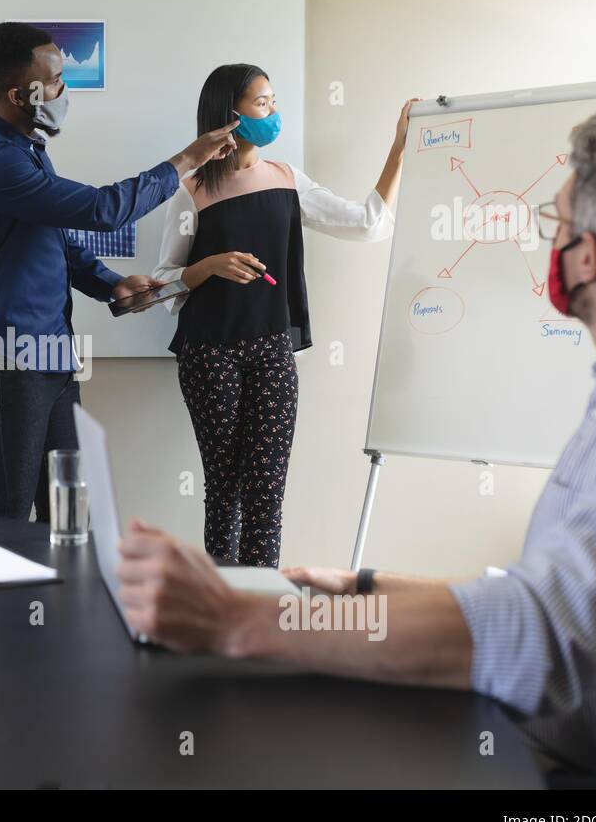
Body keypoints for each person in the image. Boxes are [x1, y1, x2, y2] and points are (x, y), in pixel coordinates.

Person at [116, 107, 596, 776]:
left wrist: (238, 622)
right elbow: (548, 593)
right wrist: (370, 585)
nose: (548, 241)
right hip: (554, 747)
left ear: (588, 258)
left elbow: (532, 634)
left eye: (554, 224)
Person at [0, 22, 238, 521]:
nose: (65, 90)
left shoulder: (28, 149)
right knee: (8, 518)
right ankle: (7, 603)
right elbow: (104, 210)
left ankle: (54, 603)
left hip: (50, 354)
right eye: (57, 80)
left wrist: (110, 282)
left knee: (68, 511)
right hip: (5, 358)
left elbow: (55, 239)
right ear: (20, 94)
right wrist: (188, 160)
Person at [153, 63, 413, 566]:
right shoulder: (190, 191)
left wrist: (398, 147)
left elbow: (368, 224)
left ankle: (261, 609)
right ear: (230, 114)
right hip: (208, 354)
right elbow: (162, 286)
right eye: (263, 103)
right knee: (223, 491)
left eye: (274, 101)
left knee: (266, 493)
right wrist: (207, 265)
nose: (274, 112)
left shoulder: (288, 180)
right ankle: (224, 607)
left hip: (272, 351)